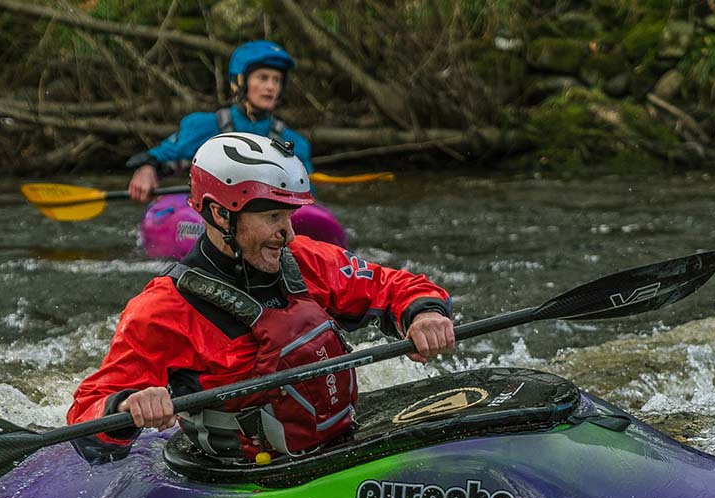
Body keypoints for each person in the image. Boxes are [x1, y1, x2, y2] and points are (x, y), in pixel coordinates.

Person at [69, 132, 455, 464]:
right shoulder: (161, 311)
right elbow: (86, 413)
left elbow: (394, 285)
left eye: (288, 217)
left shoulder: (304, 259)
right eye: (272, 217)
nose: (287, 234)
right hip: (245, 476)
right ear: (221, 215)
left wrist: (423, 314)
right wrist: (126, 405)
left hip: (332, 445)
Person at [126, 40, 313, 203]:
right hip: (214, 212)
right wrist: (147, 170)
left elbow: (306, 194)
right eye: (263, 78)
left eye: (276, 80)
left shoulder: (293, 143)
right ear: (240, 81)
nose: (271, 87)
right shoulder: (205, 126)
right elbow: (160, 158)